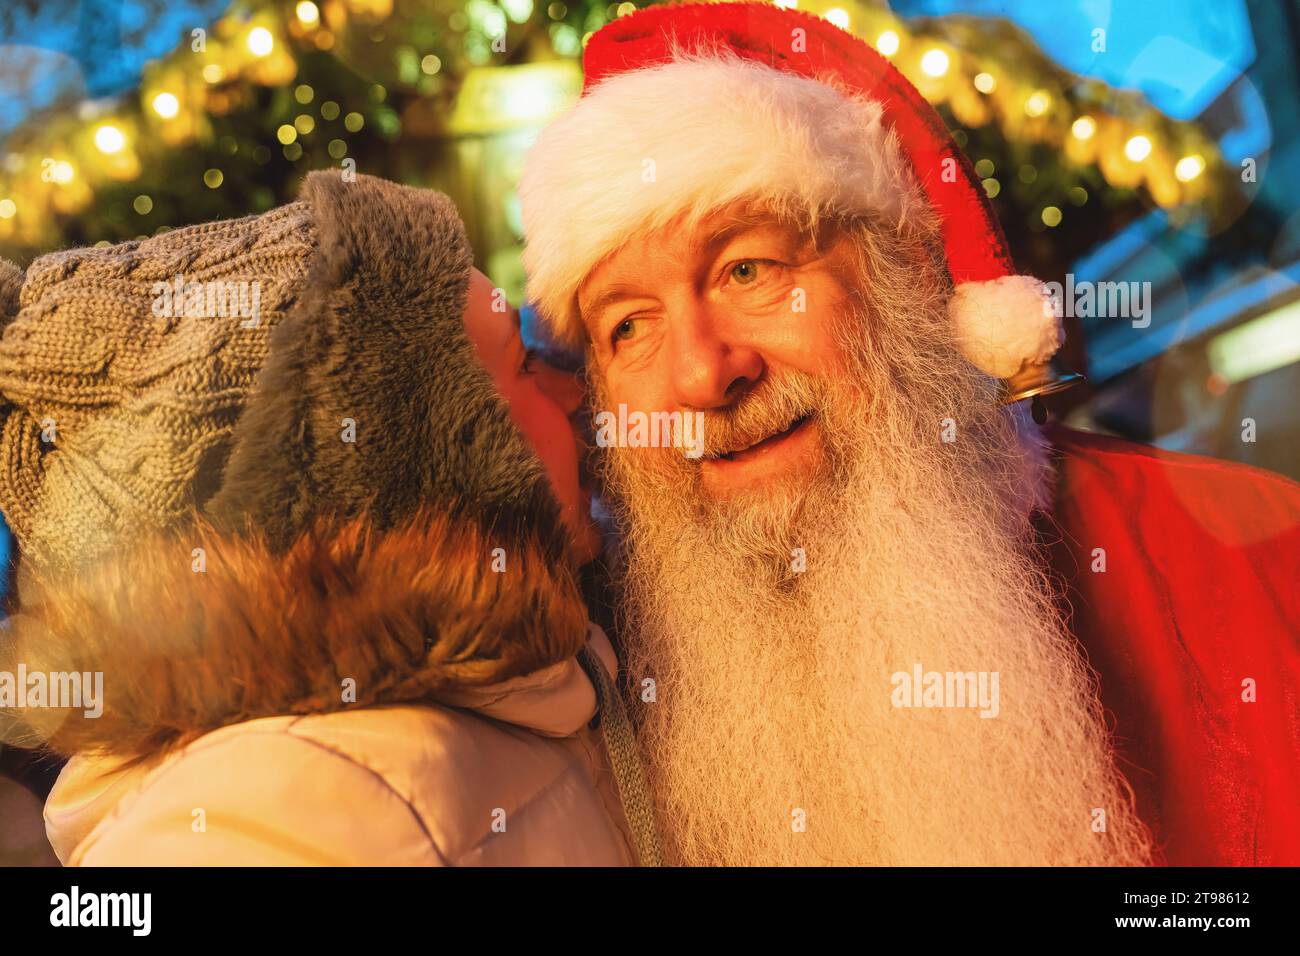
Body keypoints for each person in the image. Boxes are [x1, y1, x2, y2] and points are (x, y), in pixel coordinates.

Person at [517, 2, 1300, 866]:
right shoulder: (578, 705)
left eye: (749, 270)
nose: (704, 375)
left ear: (907, 275)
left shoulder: (1263, 560)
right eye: (628, 326)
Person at [0, 171, 659, 866]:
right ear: (403, 467)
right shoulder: (280, 812)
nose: (576, 390)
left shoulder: (530, 679)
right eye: (525, 366)